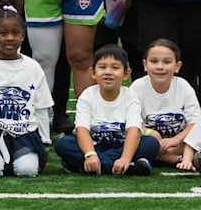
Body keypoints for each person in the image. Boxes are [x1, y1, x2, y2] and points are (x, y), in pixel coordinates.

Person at [0, 6, 53, 178]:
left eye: (15, 33)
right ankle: (1, 157)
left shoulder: (33, 67)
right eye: (3, 33)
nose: (10, 38)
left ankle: (19, 156)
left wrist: (44, 140)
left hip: (25, 132)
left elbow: (42, 106)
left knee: (26, 171)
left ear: (23, 35)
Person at [54, 45, 157, 175]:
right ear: (93, 73)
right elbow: (82, 129)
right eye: (102, 67)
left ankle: (87, 167)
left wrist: (125, 158)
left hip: (122, 147)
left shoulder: (131, 96)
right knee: (63, 143)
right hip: (93, 146)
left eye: (115, 67)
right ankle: (129, 168)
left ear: (126, 73)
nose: (108, 72)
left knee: (151, 143)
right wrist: (90, 155)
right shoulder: (87, 95)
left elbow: (133, 130)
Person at [132, 39, 200, 168]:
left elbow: (195, 122)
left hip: (181, 144)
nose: (160, 67)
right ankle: (173, 159)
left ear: (177, 66)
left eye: (167, 62)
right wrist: (149, 133)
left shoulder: (183, 86)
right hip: (149, 141)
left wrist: (176, 139)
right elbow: (131, 122)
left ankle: (177, 157)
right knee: (133, 141)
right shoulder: (137, 87)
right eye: (154, 61)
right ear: (145, 65)